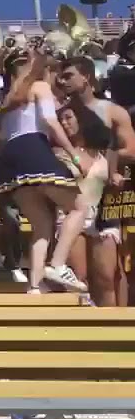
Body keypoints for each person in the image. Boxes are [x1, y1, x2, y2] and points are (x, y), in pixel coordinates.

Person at [0, 49, 87, 294]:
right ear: (43, 69)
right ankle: (57, 264)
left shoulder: (9, 99)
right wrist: (76, 158)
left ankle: (35, 286)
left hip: (11, 160)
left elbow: (3, 138)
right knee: (79, 207)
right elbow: (50, 121)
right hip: (33, 148)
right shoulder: (39, 87)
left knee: (41, 226)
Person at [57, 56, 135, 306]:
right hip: (74, 198)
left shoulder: (111, 110)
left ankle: (119, 324)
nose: (62, 81)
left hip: (108, 195)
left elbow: (132, 150)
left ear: (87, 77)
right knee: (79, 277)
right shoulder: (60, 114)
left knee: (109, 273)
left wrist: (100, 157)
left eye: (69, 76)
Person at [59, 104, 116, 306]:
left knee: (106, 278)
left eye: (68, 117)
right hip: (71, 216)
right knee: (79, 279)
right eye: (61, 120)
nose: (64, 123)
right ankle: (83, 329)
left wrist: (115, 178)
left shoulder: (104, 152)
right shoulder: (59, 152)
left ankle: (113, 328)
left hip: (102, 218)